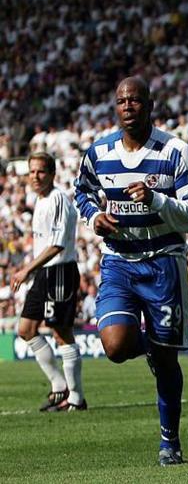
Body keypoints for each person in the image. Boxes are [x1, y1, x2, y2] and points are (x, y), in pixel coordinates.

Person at [74, 77, 188, 465]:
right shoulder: (99, 152)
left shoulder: (175, 152)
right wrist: (94, 217)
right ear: (115, 107)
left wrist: (157, 199)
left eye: (136, 99)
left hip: (164, 260)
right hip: (119, 260)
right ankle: (150, 347)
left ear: (151, 104)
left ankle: (170, 440)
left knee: (168, 362)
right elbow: (81, 191)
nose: (128, 106)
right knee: (115, 346)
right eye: (122, 100)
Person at [13, 151, 85, 411]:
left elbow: (56, 245)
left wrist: (26, 270)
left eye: (41, 171)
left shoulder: (58, 201)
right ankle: (58, 385)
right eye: (32, 171)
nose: (35, 176)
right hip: (43, 273)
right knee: (25, 329)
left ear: (52, 174)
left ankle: (76, 397)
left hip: (60, 271)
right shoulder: (40, 201)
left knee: (61, 332)